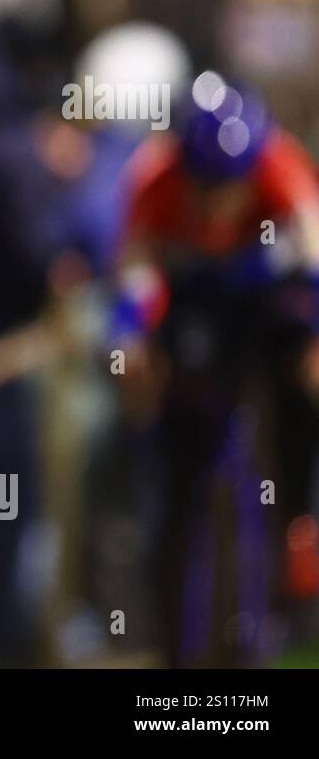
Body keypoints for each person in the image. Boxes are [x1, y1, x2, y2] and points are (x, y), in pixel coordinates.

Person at [110, 71, 319, 664]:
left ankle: (254, 649)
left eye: (229, 187)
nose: (216, 204)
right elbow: (134, 273)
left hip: (261, 326)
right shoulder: (154, 177)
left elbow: (312, 262)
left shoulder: (281, 169)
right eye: (206, 186)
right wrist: (131, 340)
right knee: (183, 499)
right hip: (191, 336)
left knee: (259, 489)